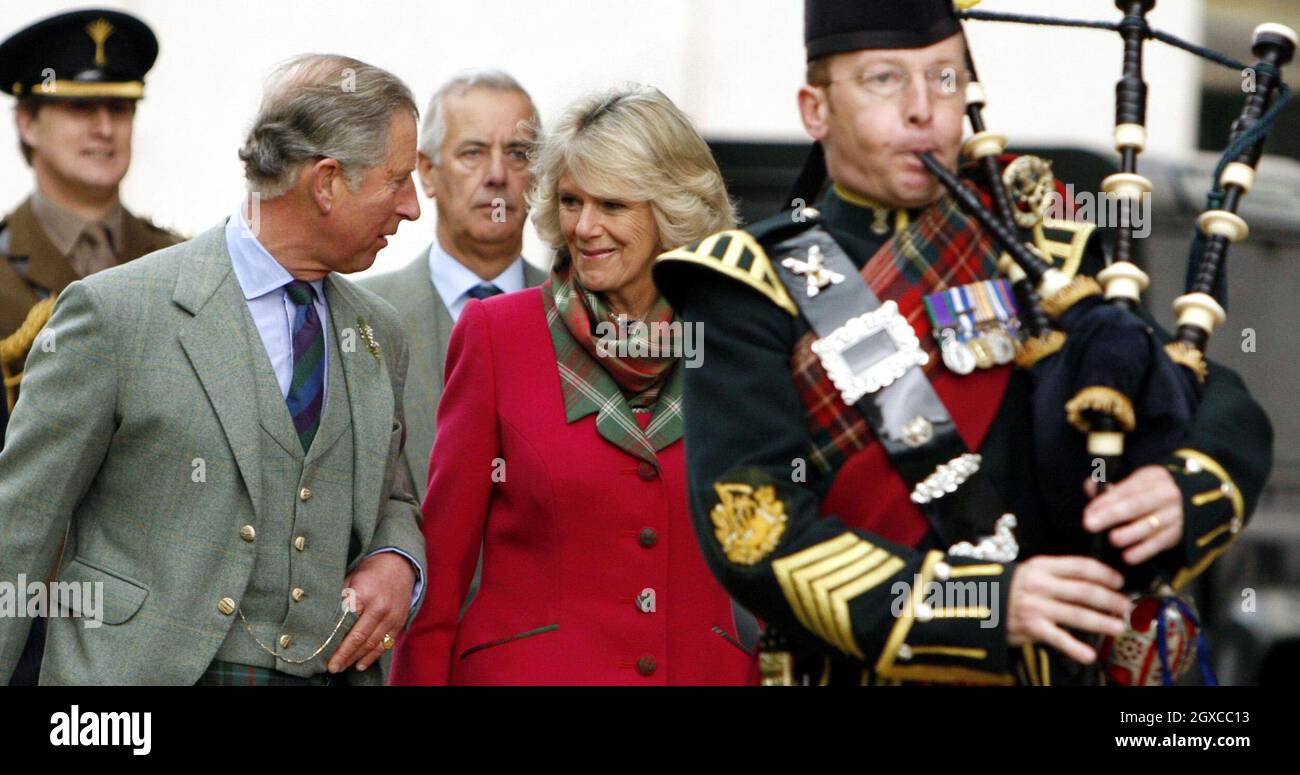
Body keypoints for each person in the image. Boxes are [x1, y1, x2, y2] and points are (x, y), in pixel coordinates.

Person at [653, 0, 1272, 685]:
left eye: (945, 80)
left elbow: (1203, 390)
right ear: (815, 109)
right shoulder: (748, 288)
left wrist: (1180, 488)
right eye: (885, 80)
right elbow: (757, 535)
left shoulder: (1040, 254)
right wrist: (982, 602)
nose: (923, 109)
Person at [0, 54, 426, 685]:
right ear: (328, 182)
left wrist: (398, 558)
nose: (413, 208)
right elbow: (18, 529)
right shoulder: (117, 312)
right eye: (398, 181)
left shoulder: (378, 332)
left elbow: (392, 493)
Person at [390, 84, 757, 685]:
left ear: (671, 212)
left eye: (612, 206)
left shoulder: (739, 349)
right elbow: (444, 568)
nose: (585, 227)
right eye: (569, 201)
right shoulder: (497, 335)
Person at [0, 7, 183, 687]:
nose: (104, 128)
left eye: (118, 107)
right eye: (79, 108)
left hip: (169, 618)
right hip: (27, 616)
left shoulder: (184, 263)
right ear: (25, 122)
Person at [360, 70, 548, 507]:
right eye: (473, 153)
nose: (497, 175)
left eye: (518, 154)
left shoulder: (580, 317)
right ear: (426, 172)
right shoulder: (361, 318)